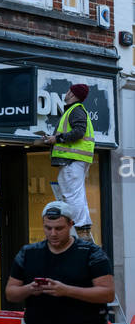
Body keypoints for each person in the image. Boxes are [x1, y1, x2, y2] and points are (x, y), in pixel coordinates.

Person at [39, 84, 95, 241]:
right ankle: (83, 227)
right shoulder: (75, 110)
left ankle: (80, 228)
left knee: (72, 194)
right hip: (76, 159)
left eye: (69, 91)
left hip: (73, 159)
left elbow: (79, 131)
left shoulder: (76, 110)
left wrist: (56, 138)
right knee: (76, 193)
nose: (66, 92)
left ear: (73, 94)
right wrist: (54, 139)